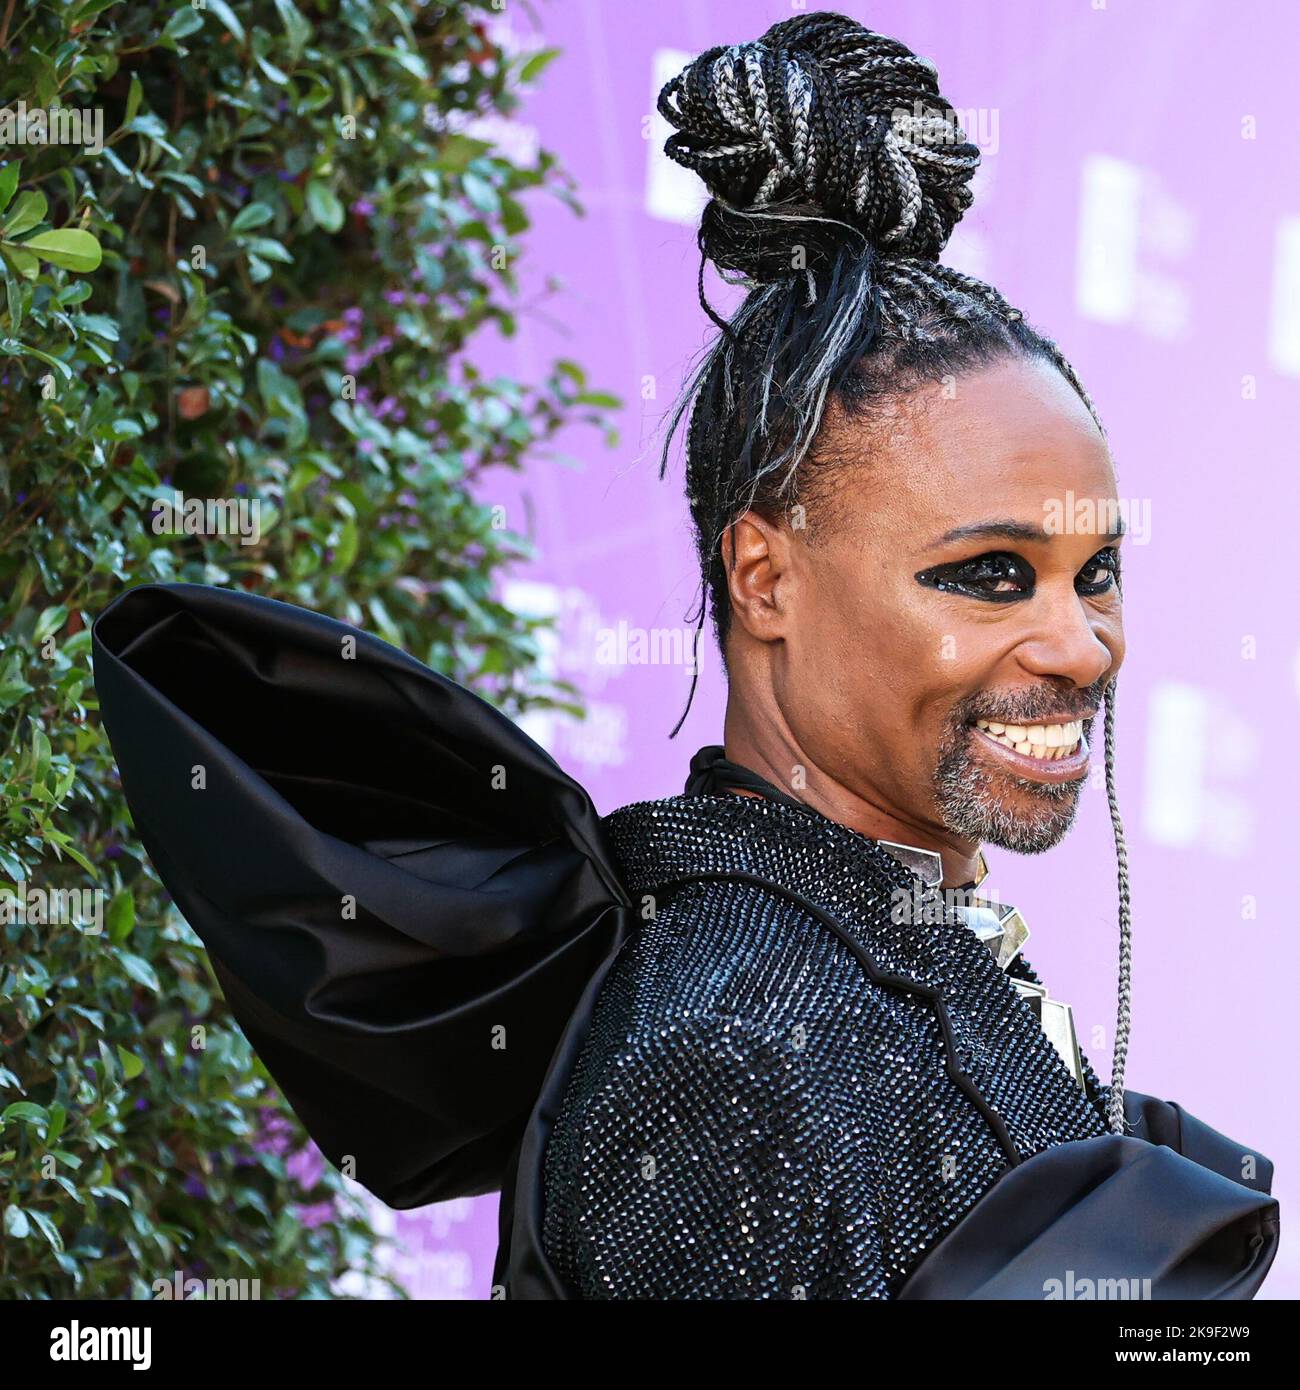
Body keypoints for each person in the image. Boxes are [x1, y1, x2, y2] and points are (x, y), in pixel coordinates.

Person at [92, 11, 1277, 1300]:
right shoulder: (727, 1053)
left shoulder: (892, 957)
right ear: (765, 578)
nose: (1078, 642)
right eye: (987, 577)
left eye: (1095, 571)